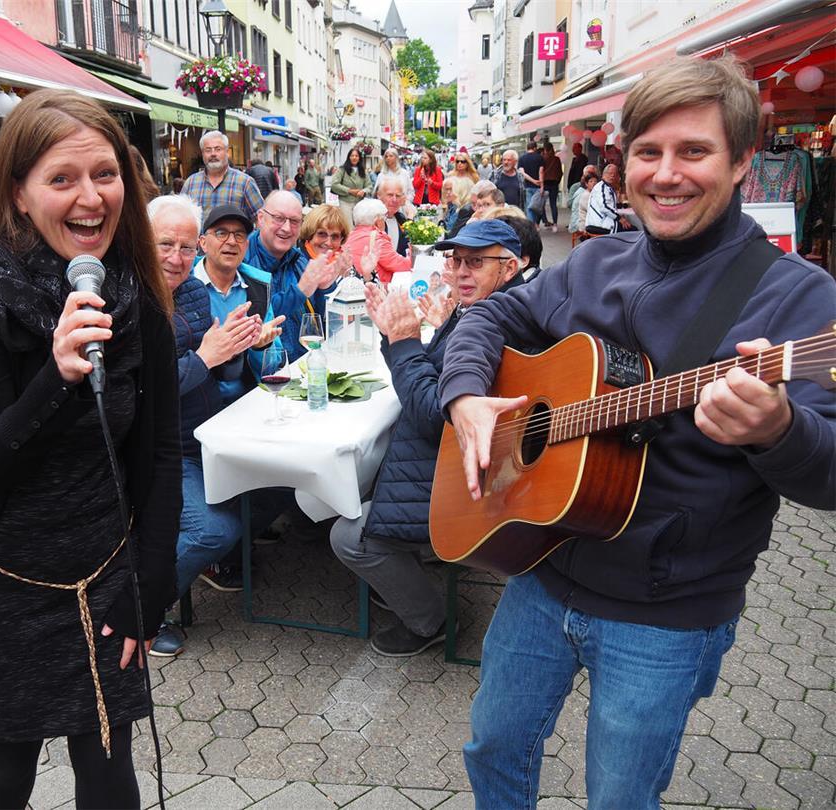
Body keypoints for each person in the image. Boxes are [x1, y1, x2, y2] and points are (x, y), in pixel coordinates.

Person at [438, 55, 836, 809]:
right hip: (540, 564)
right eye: (649, 152)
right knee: (492, 746)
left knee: (620, 797)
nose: (666, 174)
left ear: (742, 162)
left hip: (666, 612)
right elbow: (491, 315)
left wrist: (778, 430)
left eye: (695, 151)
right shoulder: (594, 261)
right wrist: (464, 397)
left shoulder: (798, 299)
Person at [0, 89, 180, 809]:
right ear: (19, 195)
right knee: (6, 771)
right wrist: (56, 379)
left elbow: (162, 453)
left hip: (103, 581)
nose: (90, 197)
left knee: (109, 762)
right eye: (62, 178)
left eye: (105, 174)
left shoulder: (135, 296)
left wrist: (150, 585)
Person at [330, 219, 524, 656]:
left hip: (473, 484)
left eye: (476, 262)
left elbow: (433, 417)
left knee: (348, 535)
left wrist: (403, 341)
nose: (461, 272)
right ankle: (401, 577)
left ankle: (430, 621)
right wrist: (394, 337)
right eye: (457, 261)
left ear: (509, 268)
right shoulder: (485, 309)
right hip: (445, 465)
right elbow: (430, 376)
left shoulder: (499, 325)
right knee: (360, 477)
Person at [145, 196, 281, 657]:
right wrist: (206, 356)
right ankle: (143, 609)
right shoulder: (131, 298)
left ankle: (218, 562)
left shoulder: (192, 292)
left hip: (210, 434)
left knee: (282, 488)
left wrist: (243, 345)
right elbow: (144, 391)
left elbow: (220, 372)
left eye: (185, 247)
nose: (177, 257)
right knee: (213, 530)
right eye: (165, 244)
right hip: (162, 448)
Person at [245, 190, 348, 359]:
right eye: (279, 218)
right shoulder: (242, 260)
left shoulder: (299, 261)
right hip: (266, 370)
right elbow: (257, 319)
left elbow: (322, 324)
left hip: (302, 365)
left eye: (294, 221)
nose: (286, 228)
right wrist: (299, 291)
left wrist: (325, 288)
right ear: (261, 218)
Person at [181, 130, 264, 221]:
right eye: (208, 150)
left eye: (218, 149)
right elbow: (181, 216)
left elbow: (261, 218)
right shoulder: (191, 183)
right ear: (202, 154)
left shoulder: (245, 182)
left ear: (227, 152)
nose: (213, 154)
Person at [343, 199, 412, 284]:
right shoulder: (377, 239)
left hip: (353, 284)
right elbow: (401, 265)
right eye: (384, 219)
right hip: (375, 286)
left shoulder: (349, 236)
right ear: (378, 222)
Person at [330, 147, 373, 228]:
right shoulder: (342, 170)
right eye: (352, 156)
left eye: (356, 156)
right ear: (348, 157)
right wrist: (349, 190)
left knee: (360, 226)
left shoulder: (363, 171)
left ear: (359, 158)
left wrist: (363, 191)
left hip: (359, 203)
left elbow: (369, 186)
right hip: (345, 202)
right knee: (348, 226)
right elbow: (334, 184)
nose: (354, 158)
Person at [376, 175, 411, 257]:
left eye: (398, 196)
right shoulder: (372, 220)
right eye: (390, 195)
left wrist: (410, 218)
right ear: (379, 195)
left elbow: (407, 246)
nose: (394, 200)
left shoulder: (401, 219)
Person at [585, 163, 623, 235]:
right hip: (599, 224)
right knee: (633, 231)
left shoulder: (608, 187)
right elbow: (605, 207)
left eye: (615, 174)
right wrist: (620, 218)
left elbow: (610, 204)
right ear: (603, 175)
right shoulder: (602, 187)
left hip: (600, 222)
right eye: (610, 173)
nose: (612, 176)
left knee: (629, 229)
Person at [516, 141, 545, 226]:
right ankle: (534, 225)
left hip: (526, 186)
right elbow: (541, 172)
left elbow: (522, 173)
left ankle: (531, 226)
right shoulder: (540, 157)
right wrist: (541, 186)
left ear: (527, 148)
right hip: (537, 187)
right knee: (537, 207)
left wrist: (532, 180)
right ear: (535, 148)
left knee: (529, 207)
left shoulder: (522, 158)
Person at [541, 144, 564, 233]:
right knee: (553, 204)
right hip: (554, 183)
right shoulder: (556, 159)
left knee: (542, 204)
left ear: (545, 150)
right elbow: (560, 172)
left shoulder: (542, 159)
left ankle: (545, 221)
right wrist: (557, 181)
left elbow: (541, 171)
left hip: (545, 183)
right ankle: (555, 224)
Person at [569, 173, 599, 237]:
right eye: (591, 181)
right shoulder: (586, 195)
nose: (593, 183)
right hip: (585, 225)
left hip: (590, 223)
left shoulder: (593, 194)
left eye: (595, 181)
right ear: (586, 184)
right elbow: (593, 212)